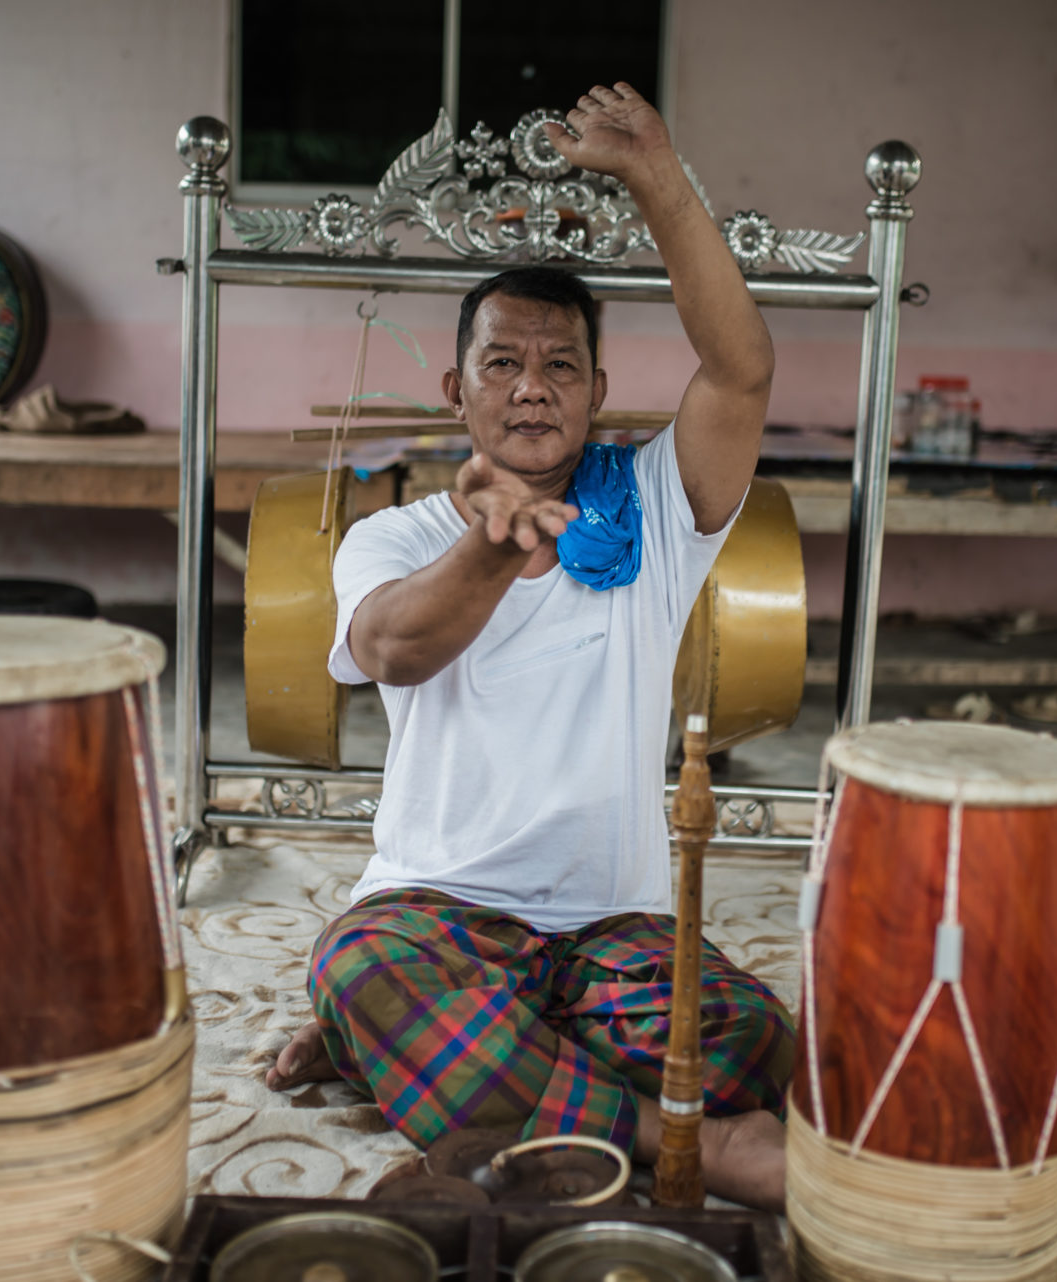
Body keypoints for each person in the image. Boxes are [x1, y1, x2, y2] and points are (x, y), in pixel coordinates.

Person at [266, 82, 791, 1210]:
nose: (533, 387)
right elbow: (392, 650)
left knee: (749, 1037)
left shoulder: (654, 506)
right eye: (503, 363)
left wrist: (658, 173)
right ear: (458, 390)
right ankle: (669, 1134)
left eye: (560, 365)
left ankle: (433, 1060)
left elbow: (741, 370)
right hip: (439, 913)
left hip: (613, 930)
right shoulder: (397, 533)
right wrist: (496, 547)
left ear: (600, 392)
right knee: (363, 968)